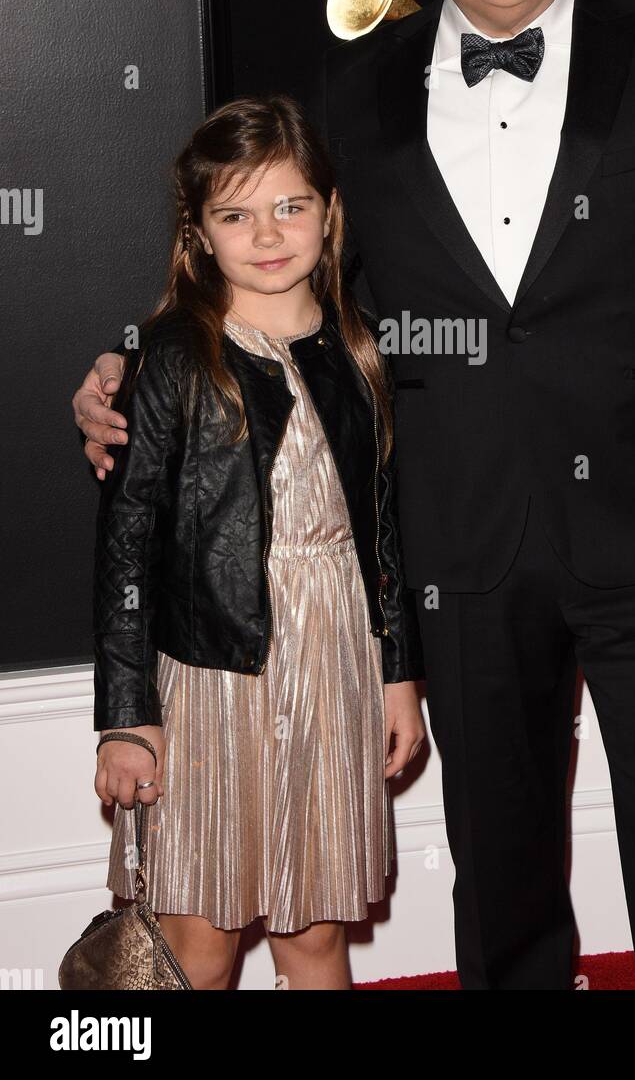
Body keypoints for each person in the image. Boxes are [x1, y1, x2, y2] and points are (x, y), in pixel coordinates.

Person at [75, 0, 635, 990]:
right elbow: (281, 284)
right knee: (502, 859)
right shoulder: (349, 98)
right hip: (453, 534)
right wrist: (137, 362)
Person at [89, 93, 425, 991]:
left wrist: (398, 671)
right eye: (235, 214)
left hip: (335, 658)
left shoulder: (357, 348)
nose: (268, 234)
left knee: (314, 933)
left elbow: (383, 527)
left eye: (291, 206)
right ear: (199, 233)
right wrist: (126, 714)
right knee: (200, 937)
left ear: (327, 211)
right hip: (211, 671)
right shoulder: (172, 354)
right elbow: (127, 541)